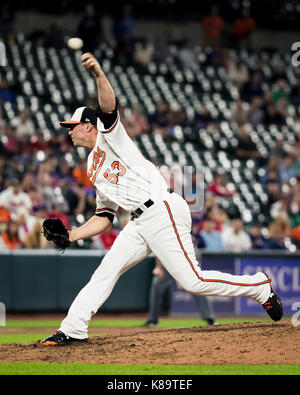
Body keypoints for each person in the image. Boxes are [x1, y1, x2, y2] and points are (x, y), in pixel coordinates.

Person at [42, 52, 283, 346]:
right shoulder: (93, 165)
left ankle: (259, 286)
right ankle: (73, 328)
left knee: (193, 281)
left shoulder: (109, 137)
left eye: (73, 126)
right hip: (138, 221)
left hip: (162, 209)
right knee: (106, 269)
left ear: (89, 126)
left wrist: (99, 74)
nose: (69, 131)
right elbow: (105, 216)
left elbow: (108, 107)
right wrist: (71, 234)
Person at [144, 258, 217, 327]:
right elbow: (158, 249)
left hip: (185, 263)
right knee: (156, 284)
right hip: (168, 262)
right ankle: (152, 319)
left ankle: (209, 318)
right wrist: (158, 267)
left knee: (198, 286)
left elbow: (194, 249)